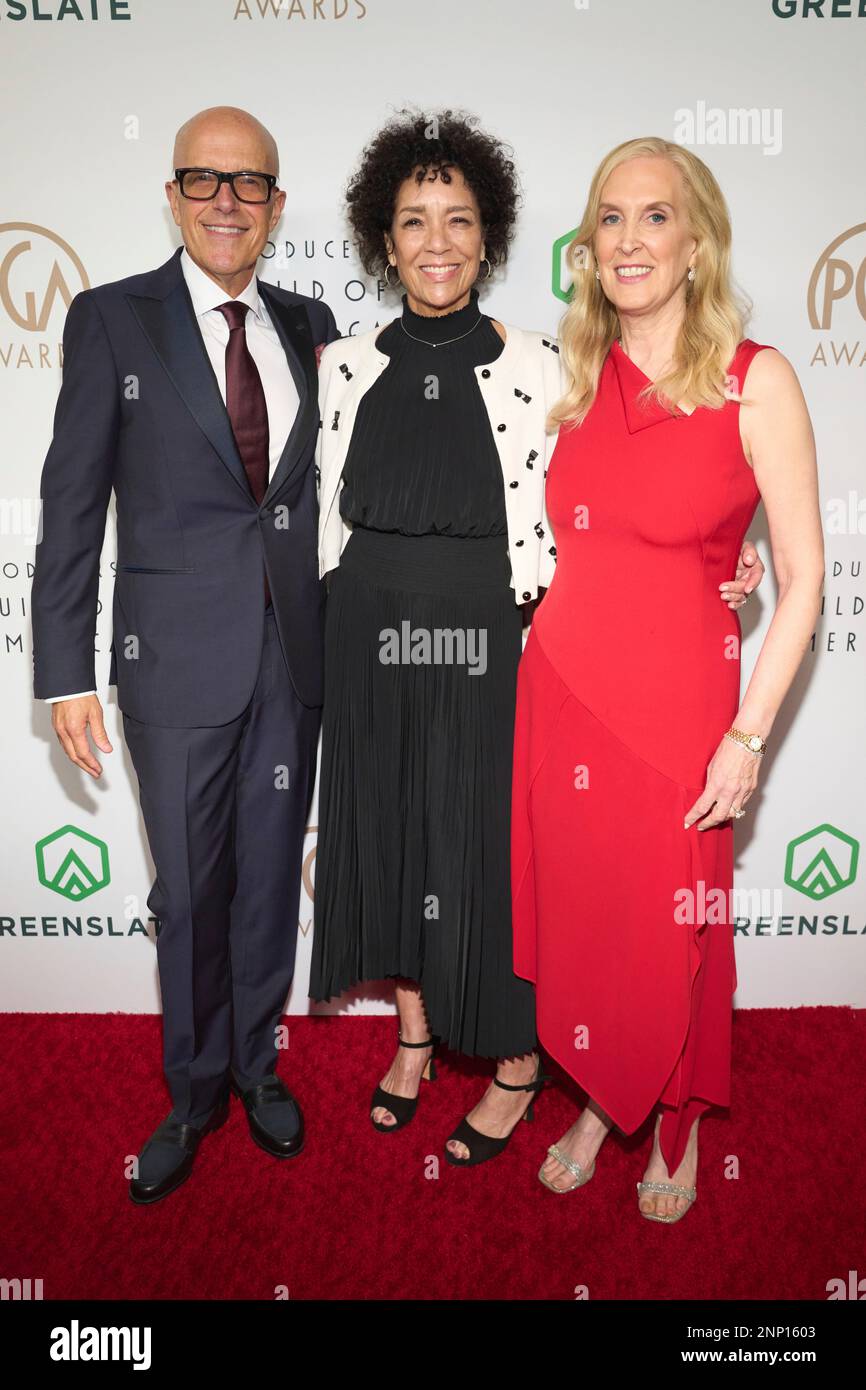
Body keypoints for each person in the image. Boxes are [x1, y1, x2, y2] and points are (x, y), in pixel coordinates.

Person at [310, 111, 763, 1167]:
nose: (435, 241)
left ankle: (514, 1066)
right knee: (389, 846)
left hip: (488, 645)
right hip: (368, 635)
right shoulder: (339, 366)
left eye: (457, 220)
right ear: (384, 240)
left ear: (489, 238)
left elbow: (619, 504)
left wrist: (721, 567)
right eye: (412, 221)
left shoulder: (544, 372)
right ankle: (413, 1041)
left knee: (484, 859)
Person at [511, 137, 824, 1220]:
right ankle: (602, 1097)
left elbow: (806, 576)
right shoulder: (572, 374)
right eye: (609, 217)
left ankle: (677, 1121)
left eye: (654, 216)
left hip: (685, 709)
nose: (629, 238)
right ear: (586, 246)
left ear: (695, 241)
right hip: (559, 689)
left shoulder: (755, 378)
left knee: (676, 922)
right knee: (593, 919)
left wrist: (746, 735)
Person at [31, 106, 338, 1205]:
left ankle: (258, 1069)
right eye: (202, 180)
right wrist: (63, 669)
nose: (224, 200)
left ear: (274, 207)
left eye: (247, 183)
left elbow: (344, 499)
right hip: (171, 664)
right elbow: (70, 506)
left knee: (264, 881)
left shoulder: (313, 325)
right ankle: (192, 1088)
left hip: (291, 664)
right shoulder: (114, 320)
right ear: (170, 195)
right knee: (191, 890)